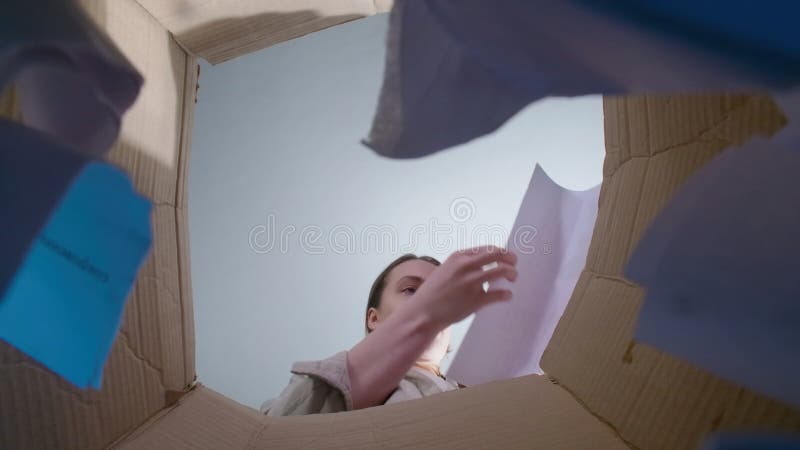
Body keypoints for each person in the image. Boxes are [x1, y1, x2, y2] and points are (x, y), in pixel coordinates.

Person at [262, 245, 518, 416]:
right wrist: (422, 315)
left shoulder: (485, 395)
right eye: (411, 290)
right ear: (374, 318)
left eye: (441, 293)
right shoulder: (312, 395)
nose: (433, 300)